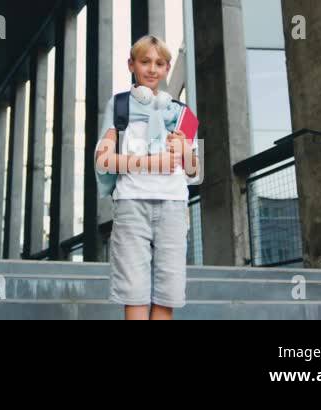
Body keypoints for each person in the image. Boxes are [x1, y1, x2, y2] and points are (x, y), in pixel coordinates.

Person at [95, 35, 200, 320]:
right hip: (132, 204)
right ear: (132, 64)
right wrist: (153, 162)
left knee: (167, 294)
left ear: (167, 68)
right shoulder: (118, 106)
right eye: (145, 62)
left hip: (173, 206)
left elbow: (194, 172)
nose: (152, 69)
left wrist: (186, 150)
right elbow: (103, 160)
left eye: (159, 63)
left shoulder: (183, 113)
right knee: (135, 294)